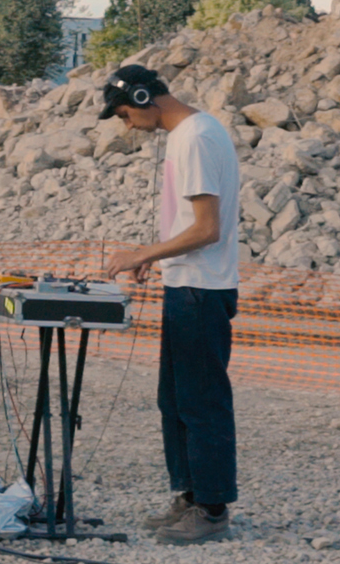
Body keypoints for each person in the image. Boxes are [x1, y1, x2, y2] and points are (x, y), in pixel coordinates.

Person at [101, 65, 240, 545]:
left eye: (124, 114)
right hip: (187, 284)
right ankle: (190, 497)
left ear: (143, 97)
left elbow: (207, 229)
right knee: (175, 401)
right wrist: (155, 258)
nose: (127, 126)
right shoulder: (189, 135)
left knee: (201, 403)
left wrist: (142, 254)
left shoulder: (196, 138)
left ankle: (213, 509)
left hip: (202, 289)